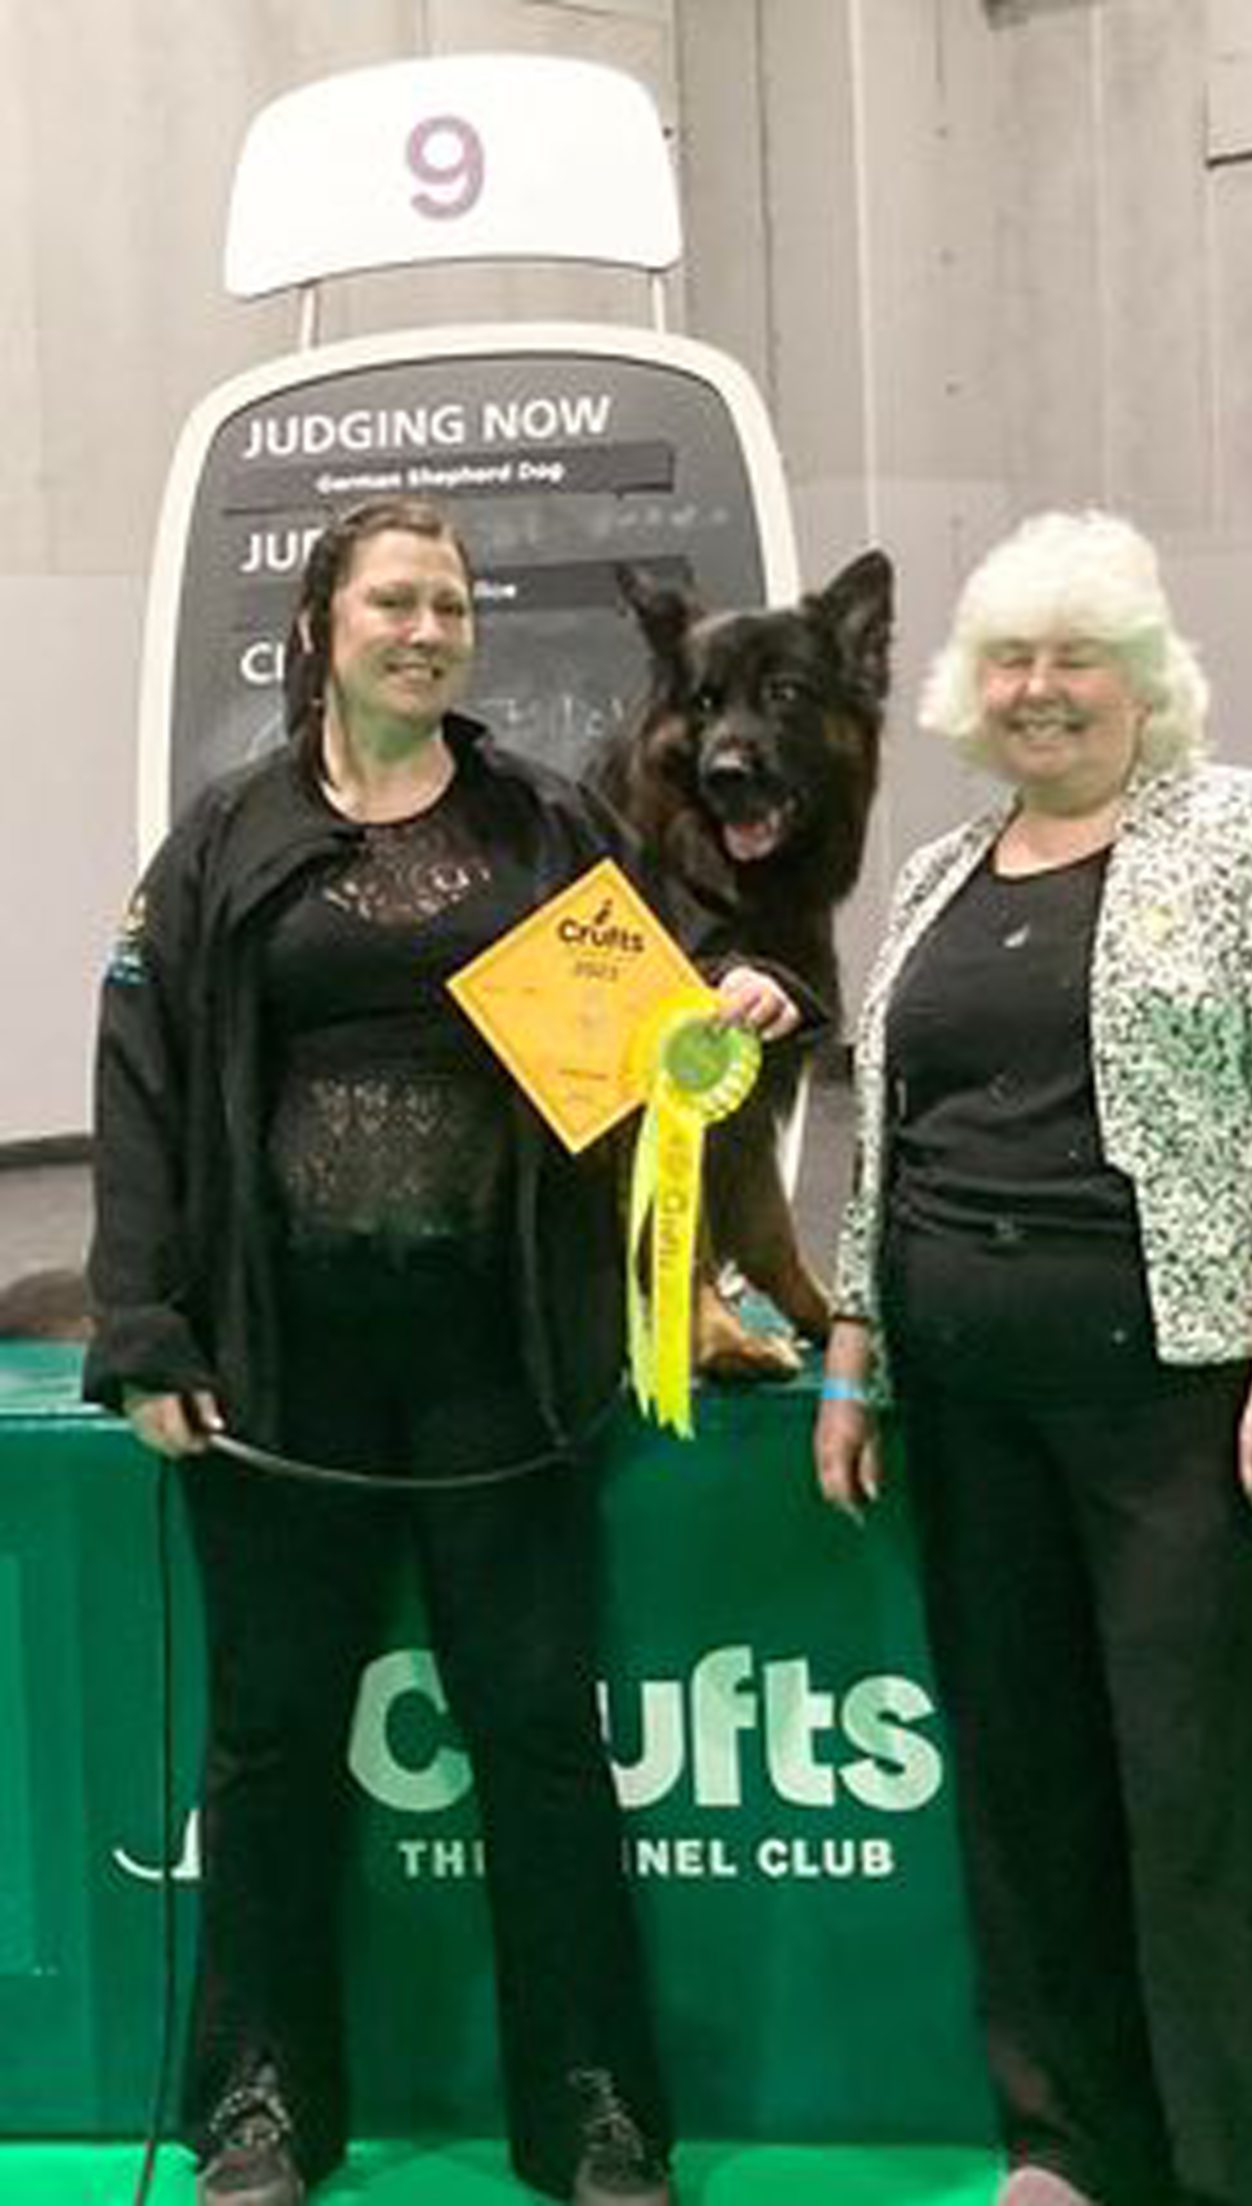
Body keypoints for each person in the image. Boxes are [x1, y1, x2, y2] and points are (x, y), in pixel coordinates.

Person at [84, 496, 802, 2206]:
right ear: (323, 625)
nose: (427, 628)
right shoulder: (223, 841)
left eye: (452, 604)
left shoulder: (536, 823)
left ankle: (595, 2111)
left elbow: (657, 1022)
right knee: (267, 1739)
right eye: (395, 600)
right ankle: (254, 2104)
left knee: (543, 1734)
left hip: (505, 1367)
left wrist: (742, 996)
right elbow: (142, 1090)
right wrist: (144, 1326)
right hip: (279, 1372)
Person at [814, 510, 1252, 2206]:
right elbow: (889, 1136)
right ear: (964, 691)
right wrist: (855, 1345)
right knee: (1026, 1785)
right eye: (1010, 659)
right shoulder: (933, 874)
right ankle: (1070, 2141)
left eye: (1077, 656)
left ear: (1145, 680)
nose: (1042, 689)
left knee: (1213, 1807)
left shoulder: (1242, 833)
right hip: (967, 1398)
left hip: (1179, 1394)